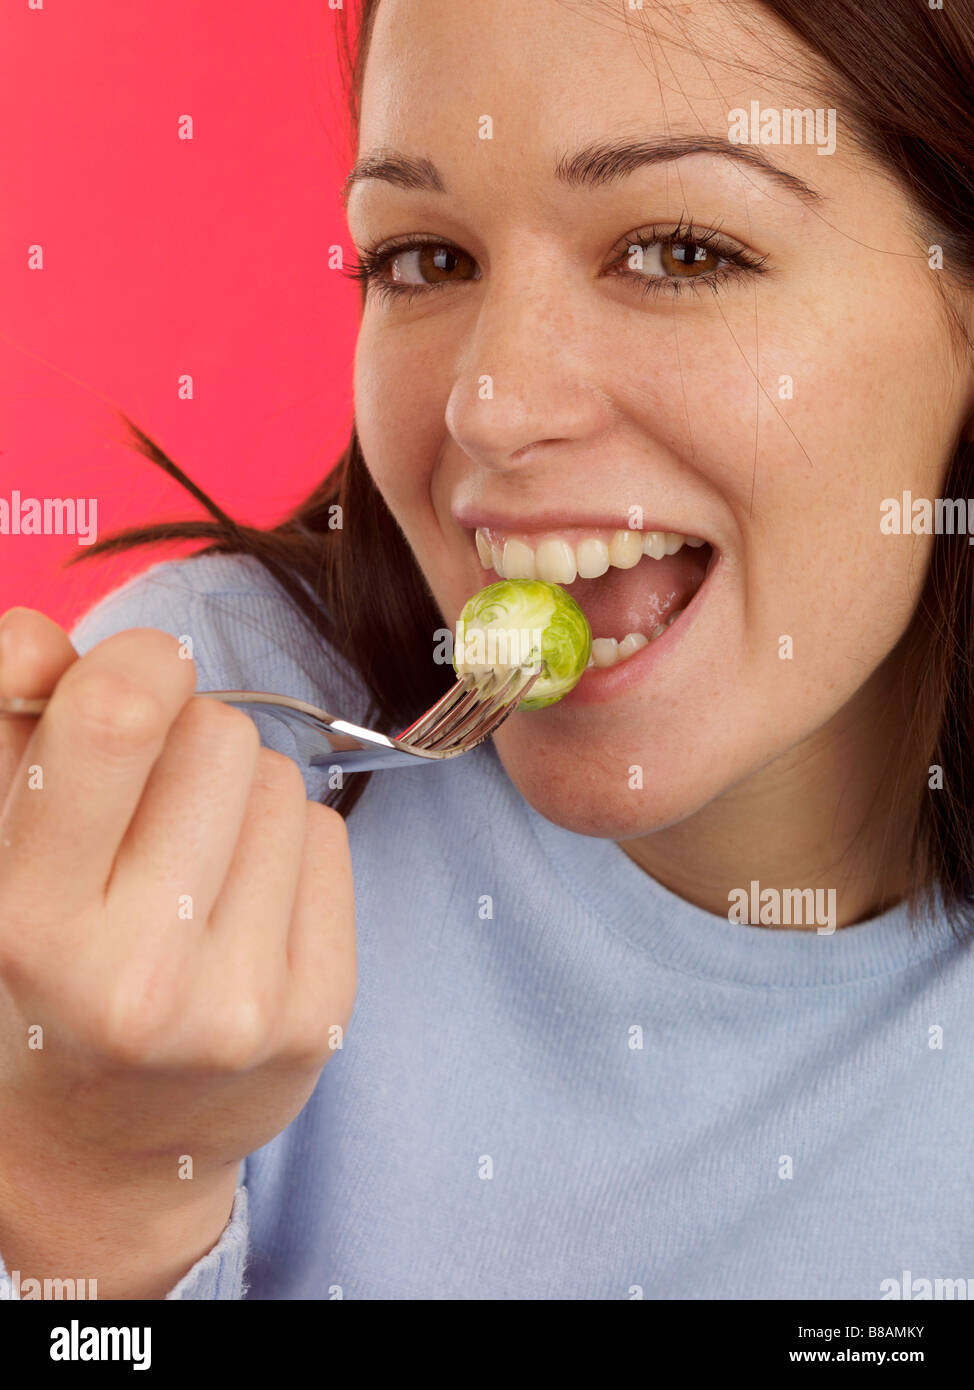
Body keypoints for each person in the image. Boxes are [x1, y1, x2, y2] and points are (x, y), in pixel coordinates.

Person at [1, 0, 973, 1299]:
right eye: (424, 258)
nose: (490, 406)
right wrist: (82, 1192)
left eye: (679, 249)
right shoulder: (205, 753)